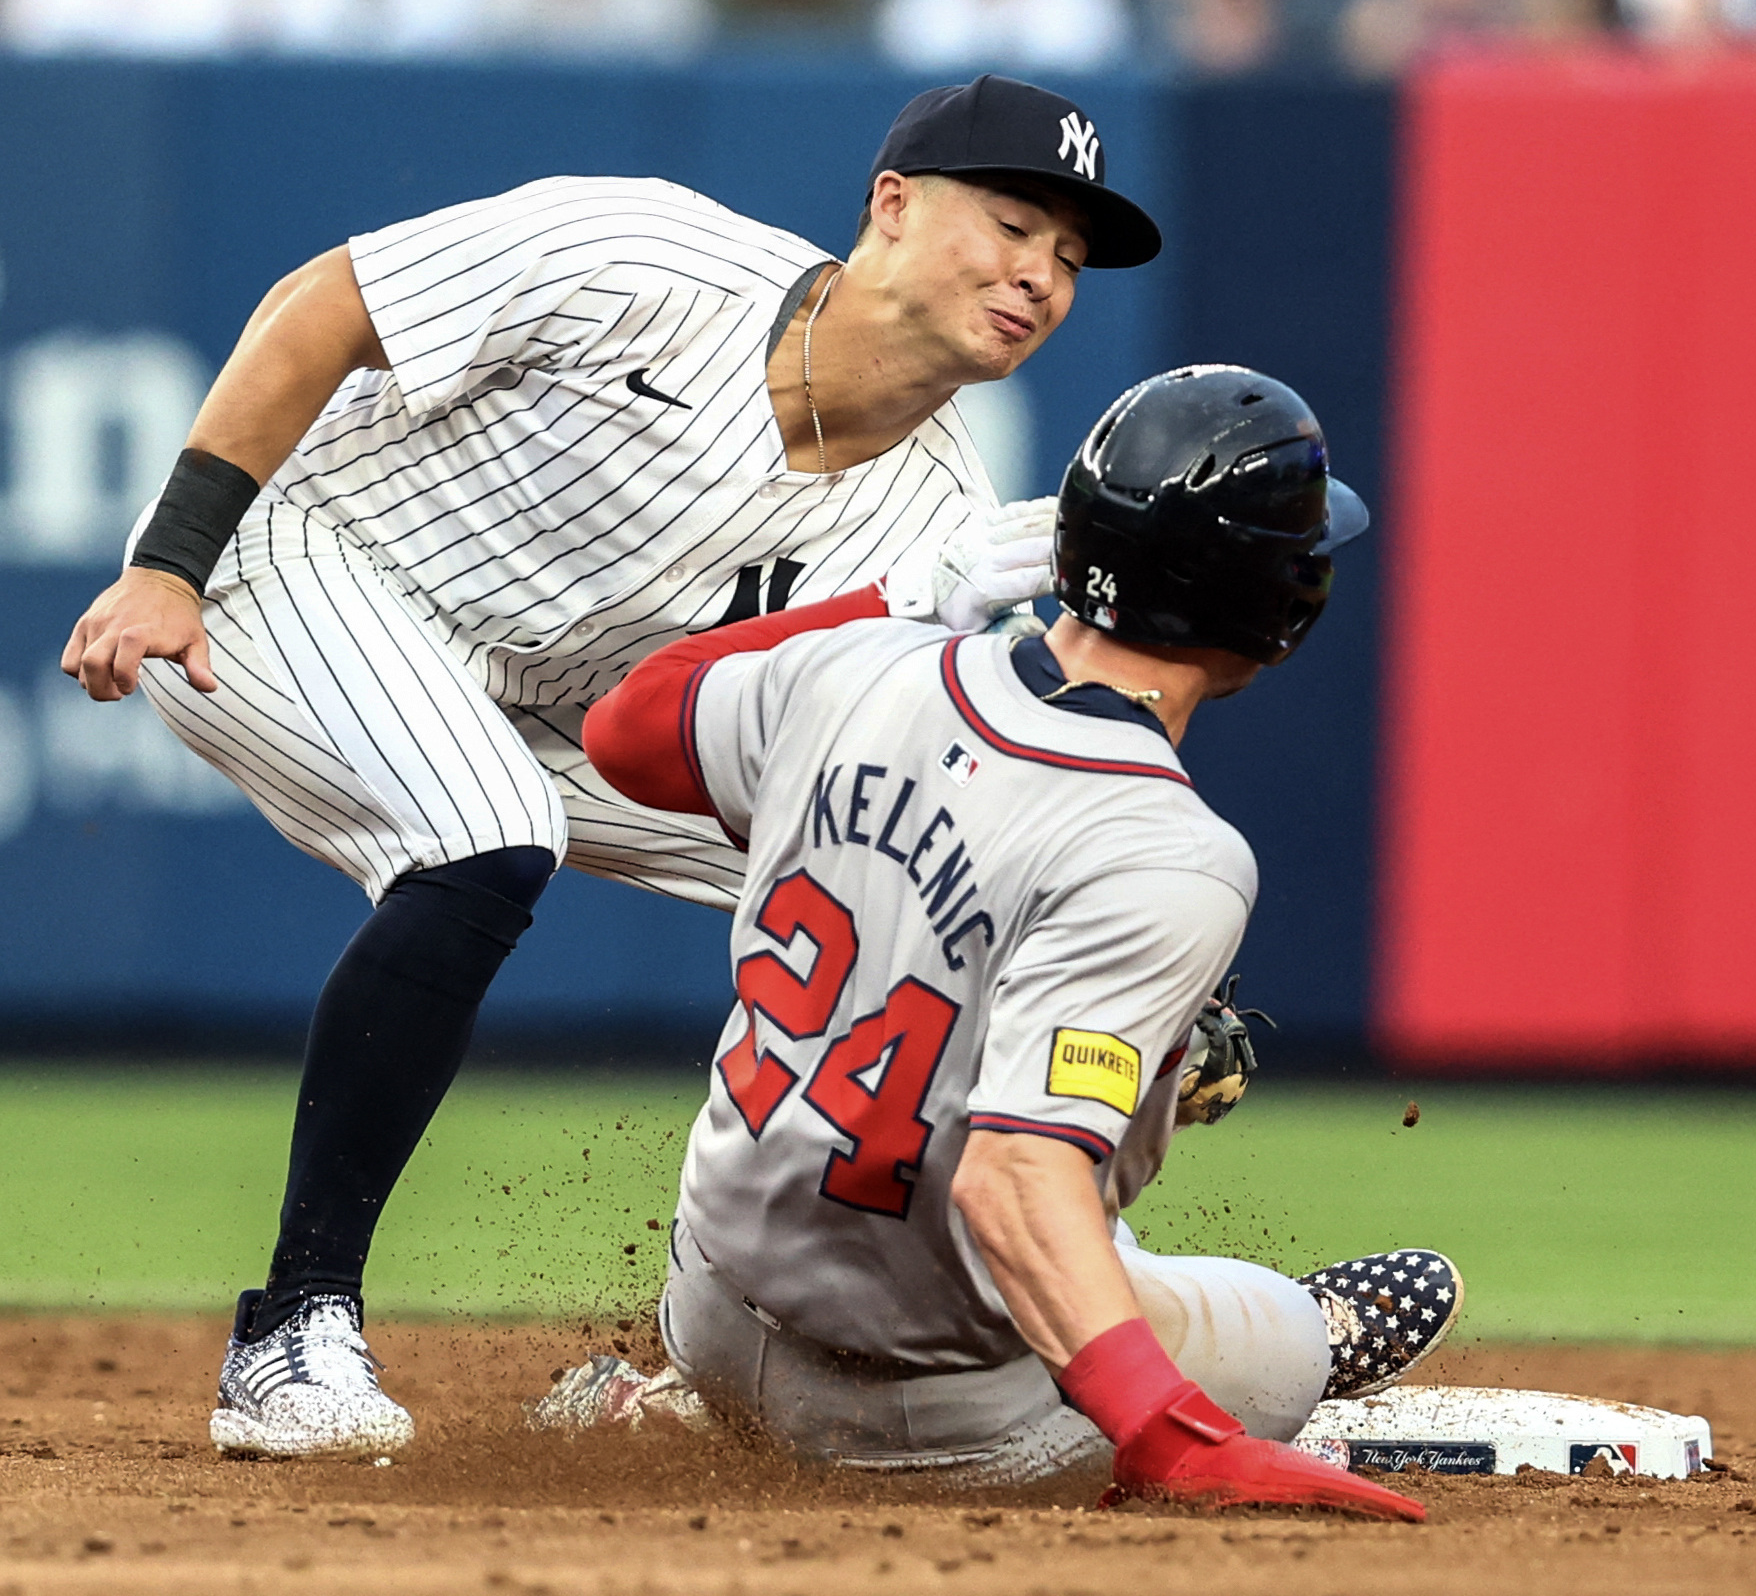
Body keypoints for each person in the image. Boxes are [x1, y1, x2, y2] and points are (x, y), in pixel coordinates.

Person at [57, 73, 1161, 1460]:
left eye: (1066, 258)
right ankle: (292, 1325)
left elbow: (832, 751)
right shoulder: (651, 257)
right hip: (300, 566)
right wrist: (170, 564)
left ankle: (769, 1348)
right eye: (1011, 223)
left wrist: (1070, 920)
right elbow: (325, 303)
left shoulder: (939, 510)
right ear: (891, 206)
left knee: (912, 891)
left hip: (568, 709)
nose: (1038, 275)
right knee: (484, 834)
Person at [575, 365, 1457, 1513]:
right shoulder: (1170, 853)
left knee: (1057, 1153)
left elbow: (623, 732)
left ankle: (673, 1401)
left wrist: (878, 602)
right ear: (1282, 609)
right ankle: (1306, 1342)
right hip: (927, 1422)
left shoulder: (858, 671)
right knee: (1271, 1339)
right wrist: (1160, 1430)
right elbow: (1012, 1177)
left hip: (707, 1309)